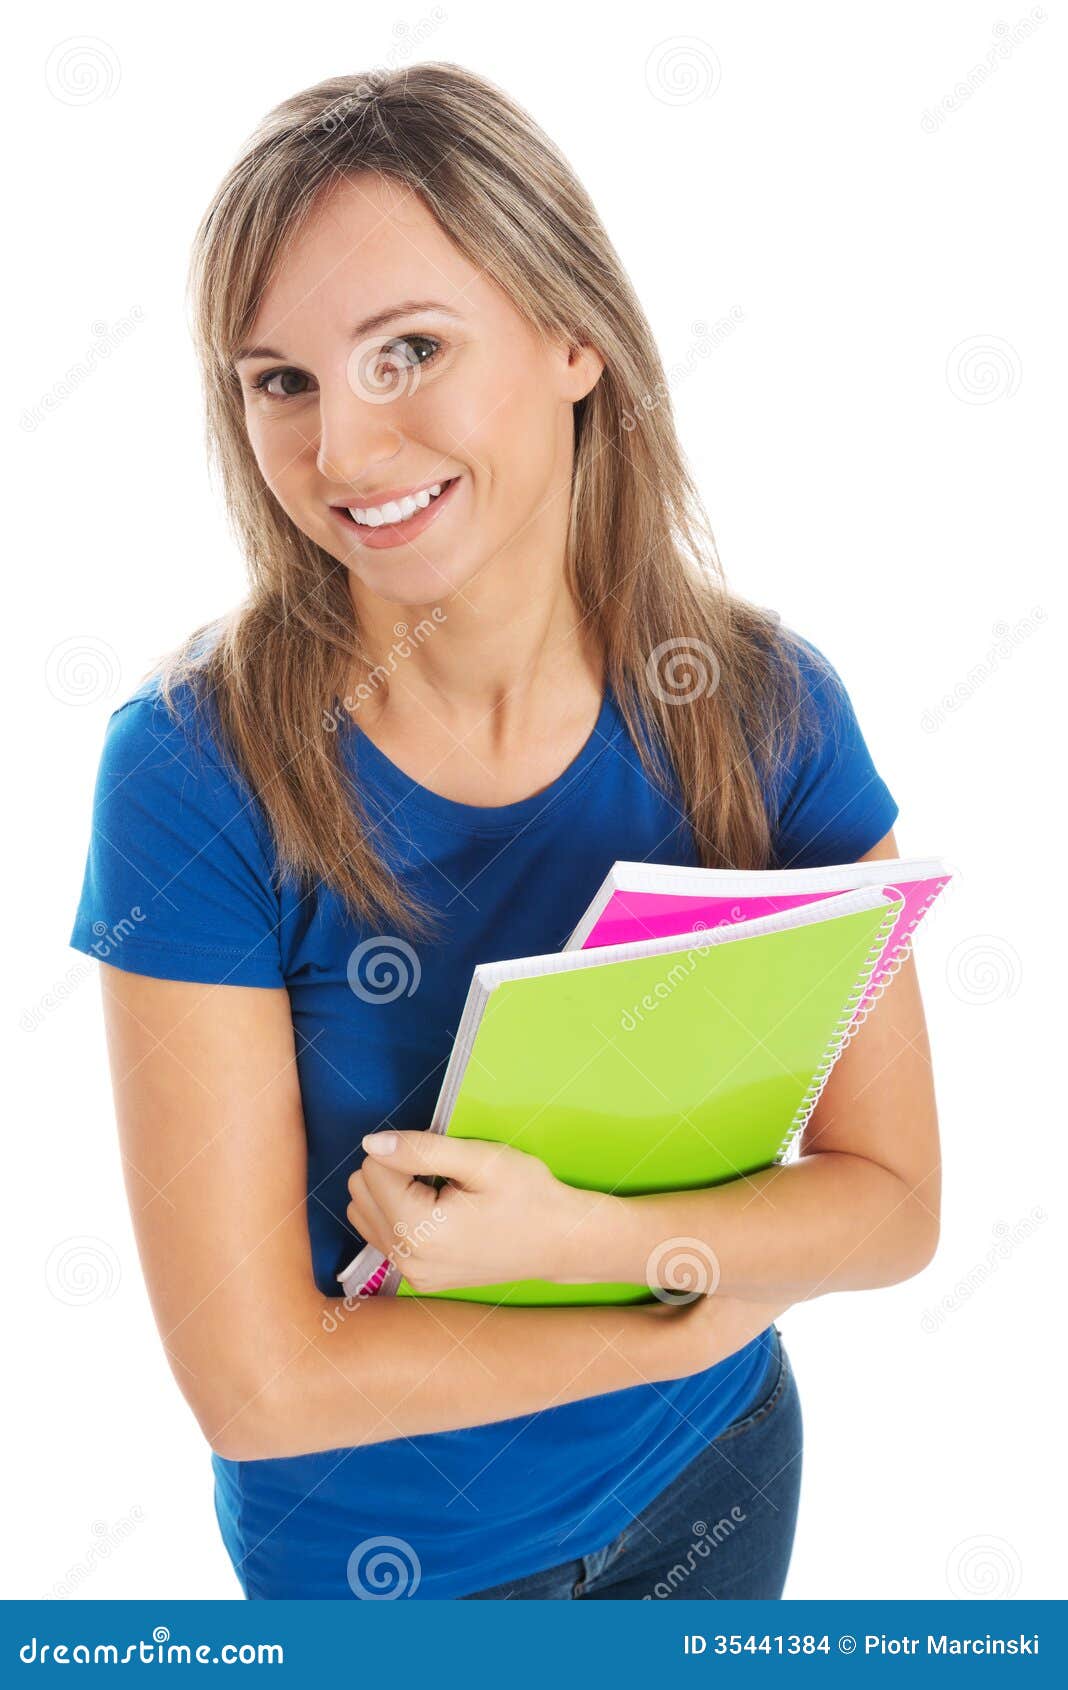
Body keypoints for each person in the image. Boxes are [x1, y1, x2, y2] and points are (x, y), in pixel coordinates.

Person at [68, 63, 940, 1601]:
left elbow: (895, 1204)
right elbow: (260, 1389)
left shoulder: (762, 706)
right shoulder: (193, 775)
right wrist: (686, 1306)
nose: (343, 451)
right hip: (404, 1577)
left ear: (573, 335)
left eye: (408, 350)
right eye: (281, 382)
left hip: (717, 1469)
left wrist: (583, 1237)